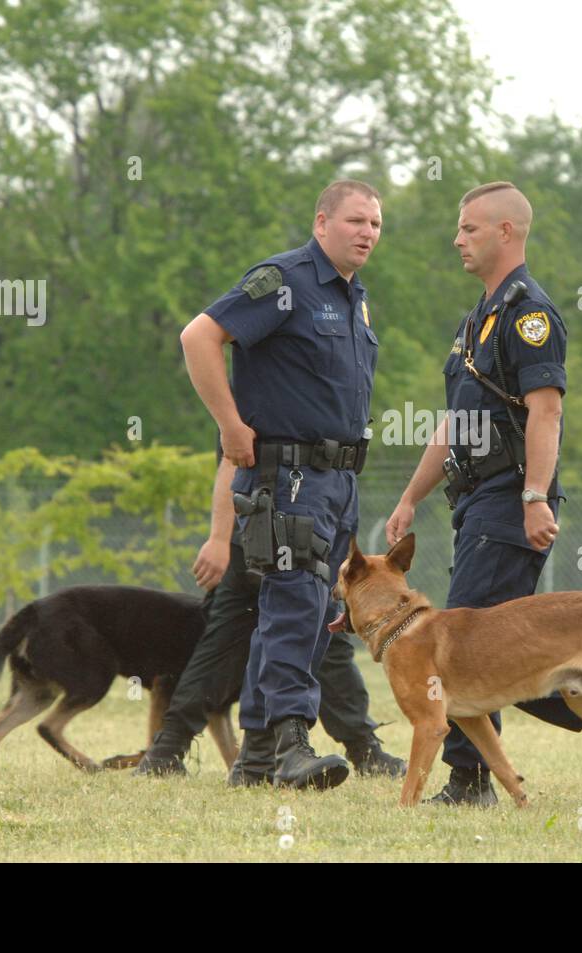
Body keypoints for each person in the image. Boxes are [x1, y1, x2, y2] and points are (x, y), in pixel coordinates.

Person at [385, 181, 582, 806]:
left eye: (469, 228)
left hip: (508, 500)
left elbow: (545, 413)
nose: (457, 239)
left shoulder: (530, 315)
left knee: (470, 653)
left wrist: (533, 497)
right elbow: (453, 424)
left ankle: (471, 783)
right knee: (502, 658)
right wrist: (411, 496)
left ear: (506, 232)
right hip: (474, 503)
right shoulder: (479, 318)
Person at [178, 180, 381, 790]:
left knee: (309, 611)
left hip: (338, 479)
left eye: (375, 223)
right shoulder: (285, 280)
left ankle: (258, 756)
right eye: (354, 221)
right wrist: (230, 426)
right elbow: (199, 336)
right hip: (288, 476)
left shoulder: (354, 297)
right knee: (294, 603)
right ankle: (293, 744)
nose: (367, 232)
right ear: (322, 222)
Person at [133, 441, 406, 781]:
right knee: (226, 650)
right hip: (259, 531)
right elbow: (235, 451)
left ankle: (226, 756)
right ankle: (171, 751)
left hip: (298, 523)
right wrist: (219, 538)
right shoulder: (270, 395)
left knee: (321, 640)